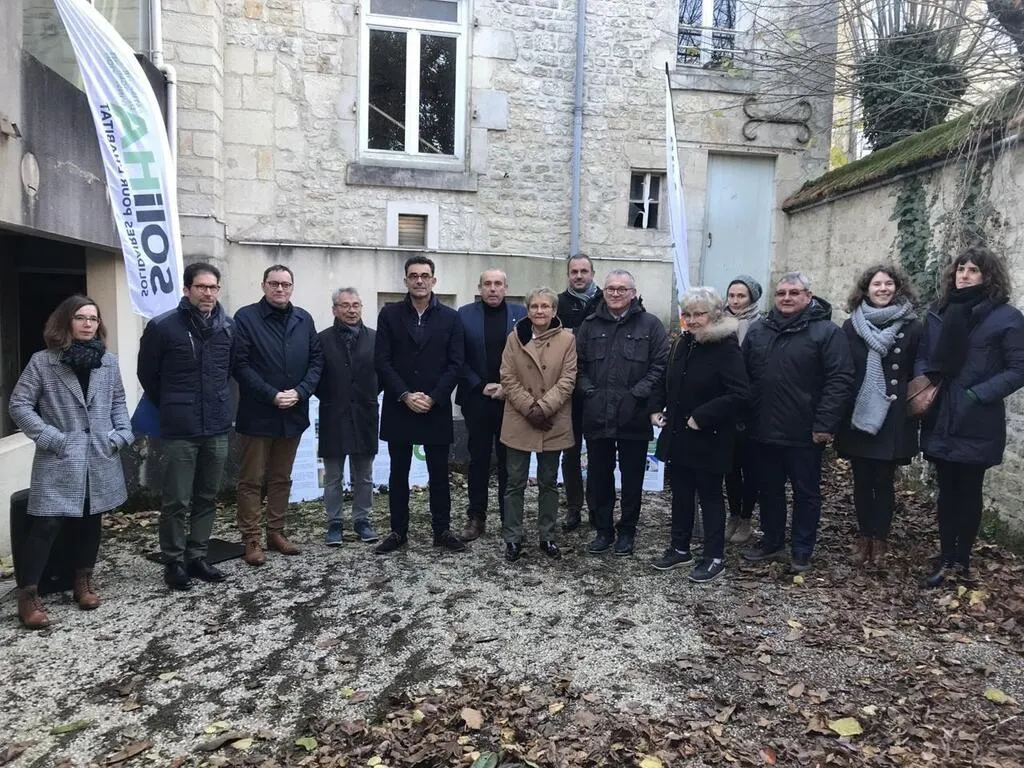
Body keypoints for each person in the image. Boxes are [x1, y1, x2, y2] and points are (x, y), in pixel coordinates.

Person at [8, 296, 133, 629]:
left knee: (92, 517)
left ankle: (83, 580)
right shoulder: (43, 362)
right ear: (66, 322)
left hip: (99, 454)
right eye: (81, 317)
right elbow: (19, 405)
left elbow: (118, 401)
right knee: (46, 523)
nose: (88, 323)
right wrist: (51, 438)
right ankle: (29, 594)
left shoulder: (107, 362)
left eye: (93, 318)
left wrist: (121, 435)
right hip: (60, 455)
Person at [915, 246, 1024, 587]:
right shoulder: (940, 311)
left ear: (988, 276)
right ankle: (946, 558)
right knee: (946, 490)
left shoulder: (1005, 318)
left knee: (969, 489)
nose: (964, 275)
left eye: (973, 270)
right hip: (940, 414)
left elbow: (1018, 368)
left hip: (976, 417)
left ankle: (962, 561)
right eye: (960, 269)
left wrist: (978, 394)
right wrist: (926, 383)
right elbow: (924, 356)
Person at [742, 272, 854, 573]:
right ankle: (772, 539)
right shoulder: (758, 331)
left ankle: (802, 548)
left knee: (806, 493)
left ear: (808, 295)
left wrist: (825, 423)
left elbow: (840, 380)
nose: (787, 298)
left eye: (794, 292)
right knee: (769, 489)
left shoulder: (827, 333)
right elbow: (744, 377)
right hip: (763, 428)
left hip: (805, 431)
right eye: (781, 293)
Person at [138, 262, 234, 590]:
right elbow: (148, 375)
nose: (208, 293)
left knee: (207, 495)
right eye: (201, 287)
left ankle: (198, 556)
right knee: (176, 499)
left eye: (213, 287)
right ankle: (174, 561)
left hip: (217, 426)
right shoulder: (163, 327)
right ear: (187, 289)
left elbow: (230, 370)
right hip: (180, 427)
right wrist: (173, 403)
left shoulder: (227, 327)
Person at [650, 287, 749, 582]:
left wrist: (702, 416)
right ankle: (680, 548)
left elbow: (741, 394)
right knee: (680, 494)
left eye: (698, 314)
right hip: (679, 434)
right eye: (687, 314)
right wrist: (655, 409)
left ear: (714, 315)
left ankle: (714, 555)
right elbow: (667, 381)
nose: (692, 320)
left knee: (710, 497)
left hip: (710, 436)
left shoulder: (725, 347)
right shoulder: (683, 343)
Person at [374, 256, 467, 554]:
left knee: (439, 474)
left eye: (425, 275)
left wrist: (435, 396)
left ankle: (442, 530)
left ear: (433, 280)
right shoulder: (388, 315)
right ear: (405, 281)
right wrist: (404, 395)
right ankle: (398, 532)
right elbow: (382, 361)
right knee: (398, 474)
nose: (419, 280)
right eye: (413, 276)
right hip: (400, 406)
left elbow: (456, 363)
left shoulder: (451, 318)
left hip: (434, 407)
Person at [233, 265, 323, 565]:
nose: (280, 289)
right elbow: (241, 365)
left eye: (286, 284)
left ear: (292, 287)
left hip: (293, 412)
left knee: (281, 477)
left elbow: (316, 361)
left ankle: (276, 532)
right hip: (258, 412)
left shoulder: (303, 319)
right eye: (274, 284)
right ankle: (252, 538)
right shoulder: (246, 318)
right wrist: (271, 394)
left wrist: (300, 391)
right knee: (251, 480)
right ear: (263, 286)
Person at [575, 269, 669, 556]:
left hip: (634, 415)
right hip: (597, 414)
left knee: (631, 479)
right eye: (611, 288)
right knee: (600, 477)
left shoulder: (650, 325)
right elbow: (577, 366)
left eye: (622, 289)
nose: (616, 293)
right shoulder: (589, 326)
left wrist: (637, 394)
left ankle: (627, 531)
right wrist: (590, 393)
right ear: (603, 291)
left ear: (633, 292)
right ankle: (603, 530)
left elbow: (660, 365)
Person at [835, 264, 922, 567]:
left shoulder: (912, 325)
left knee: (884, 481)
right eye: (876, 284)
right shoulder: (851, 326)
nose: (882, 289)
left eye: (888, 284)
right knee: (861, 479)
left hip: (893, 415)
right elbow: (844, 370)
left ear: (897, 288)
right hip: (860, 411)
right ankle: (864, 536)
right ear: (866, 289)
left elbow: (918, 370)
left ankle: (880, 539)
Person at [499, 287, 577, 561]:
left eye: (545, 306)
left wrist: (543, 409)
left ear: (554, 311)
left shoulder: (567, 340)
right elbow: (507, 377)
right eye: (535, 306)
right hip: (520, 418)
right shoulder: (514, 338)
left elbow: (568, 379)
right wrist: (529, 408)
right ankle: (512, 538)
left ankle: (547, 536)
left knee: (548, 482)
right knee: (515, 482)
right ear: (527, 310)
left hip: (552, 419)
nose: (540, 311)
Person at [456, 269, 527, 541]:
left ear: (506, 288)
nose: (493, 289)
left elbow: (529, 357)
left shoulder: (521, 314)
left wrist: (507, 388)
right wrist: (480, 385)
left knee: (511, 463)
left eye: (498, 284)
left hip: (511, 400)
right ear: (480, 287)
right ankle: (476, 518)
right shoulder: (464, 314)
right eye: (487, 284)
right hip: (477, 398)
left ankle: (510, 520)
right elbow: (457, 357)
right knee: (478, 461)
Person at [315, 287, 380, 547]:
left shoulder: (375, 339)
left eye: (356, 305)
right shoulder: (321, 339)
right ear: (334, 309)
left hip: (364, 413)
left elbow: (381, 377)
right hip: (334, 413)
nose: (351, 310)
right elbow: (316, 376)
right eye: (345, 305)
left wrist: (365, 395)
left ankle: (362, 520)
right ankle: (334, 522)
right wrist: (335, 396)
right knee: (333, 475)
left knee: (364, 474)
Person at [557, 255, 603, 532]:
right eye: (574, 271)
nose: (579, 276)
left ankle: (598, 509)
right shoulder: (559, 304)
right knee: (570, 453)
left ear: (592, 273)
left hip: (598, 389)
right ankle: (573, 507)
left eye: (584, 271)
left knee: (598, 454)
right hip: (568, 390)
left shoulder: (606, 301)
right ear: (568, 275)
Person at [723, 275, 763, 545]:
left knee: (751, 466)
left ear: (752, 298)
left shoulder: (762, 325)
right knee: (729, 465)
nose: (736, 301)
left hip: (752, 405)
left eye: (741, 296)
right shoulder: (719, 323)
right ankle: (733, 514)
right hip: (725, 403)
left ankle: (747, 517)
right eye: (732, 296)